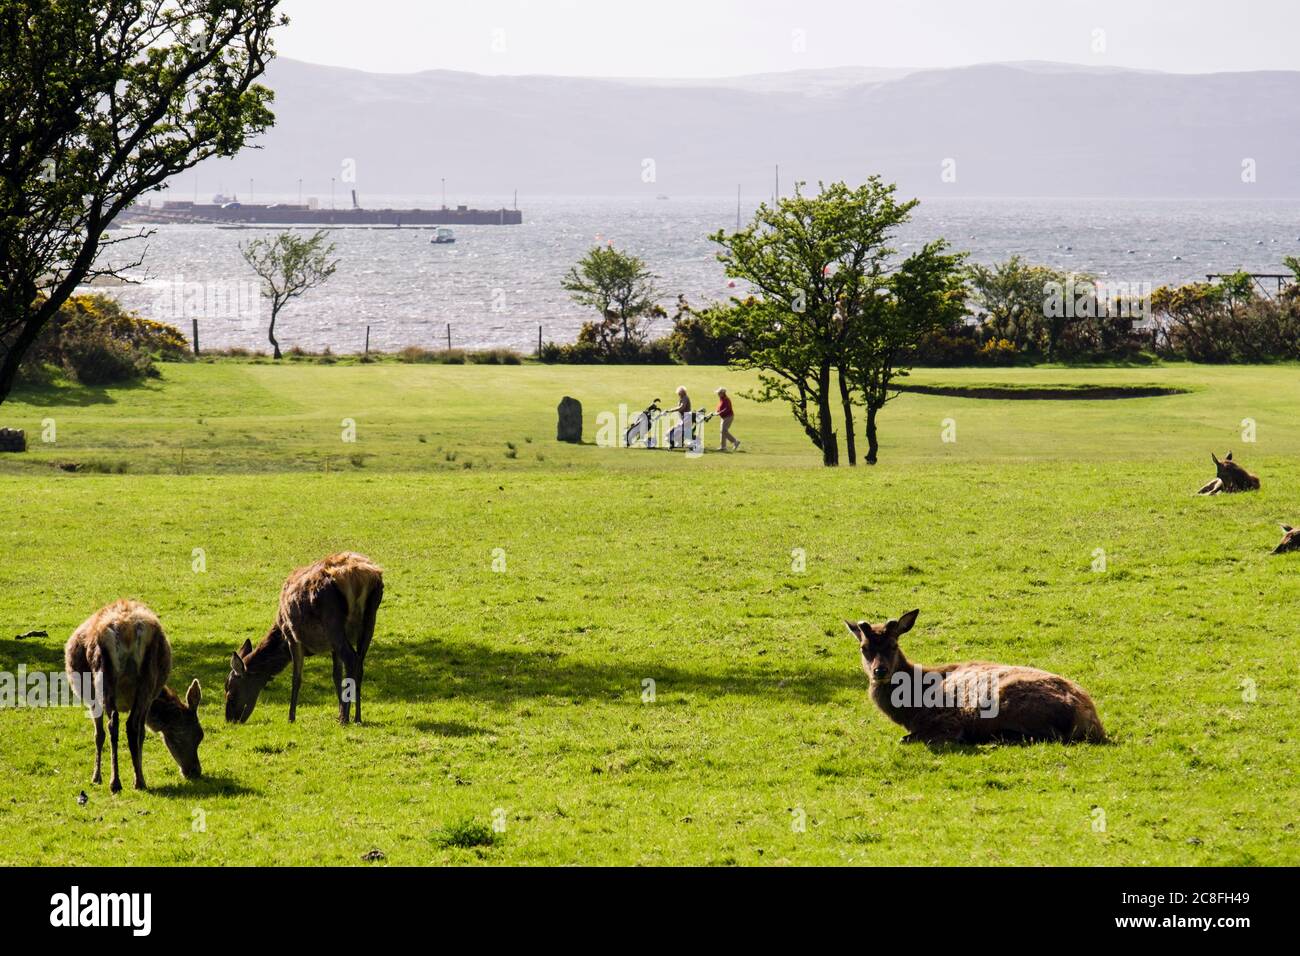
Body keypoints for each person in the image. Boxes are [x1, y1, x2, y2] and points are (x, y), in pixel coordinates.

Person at [715, 386, 740, 452]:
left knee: (724, 431)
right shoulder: (722, 399)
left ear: (723, 393)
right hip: (723, 417)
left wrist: (720, 412)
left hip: (728, 417)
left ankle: (735, 441)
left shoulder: (726, 399)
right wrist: (717, 411)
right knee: (722, 431)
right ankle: (723, 447)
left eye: (719, 393)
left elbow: (727, 409)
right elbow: (720, 407)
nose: (718, 394)